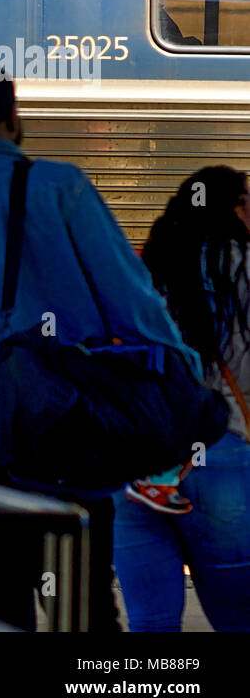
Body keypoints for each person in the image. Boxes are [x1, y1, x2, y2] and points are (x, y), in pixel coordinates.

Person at [0, 61, 201, 632]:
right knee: (83, 605)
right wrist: (183, 383)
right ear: (13, 116)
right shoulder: (60, 187)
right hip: (63, 432)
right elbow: (136, 308)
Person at [113, 165, 250, 631]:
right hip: (222, 453)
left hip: (136, 465)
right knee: (238, 620)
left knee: (150, 623)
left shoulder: (144, 271)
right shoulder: (243, 266)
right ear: (235, 209)